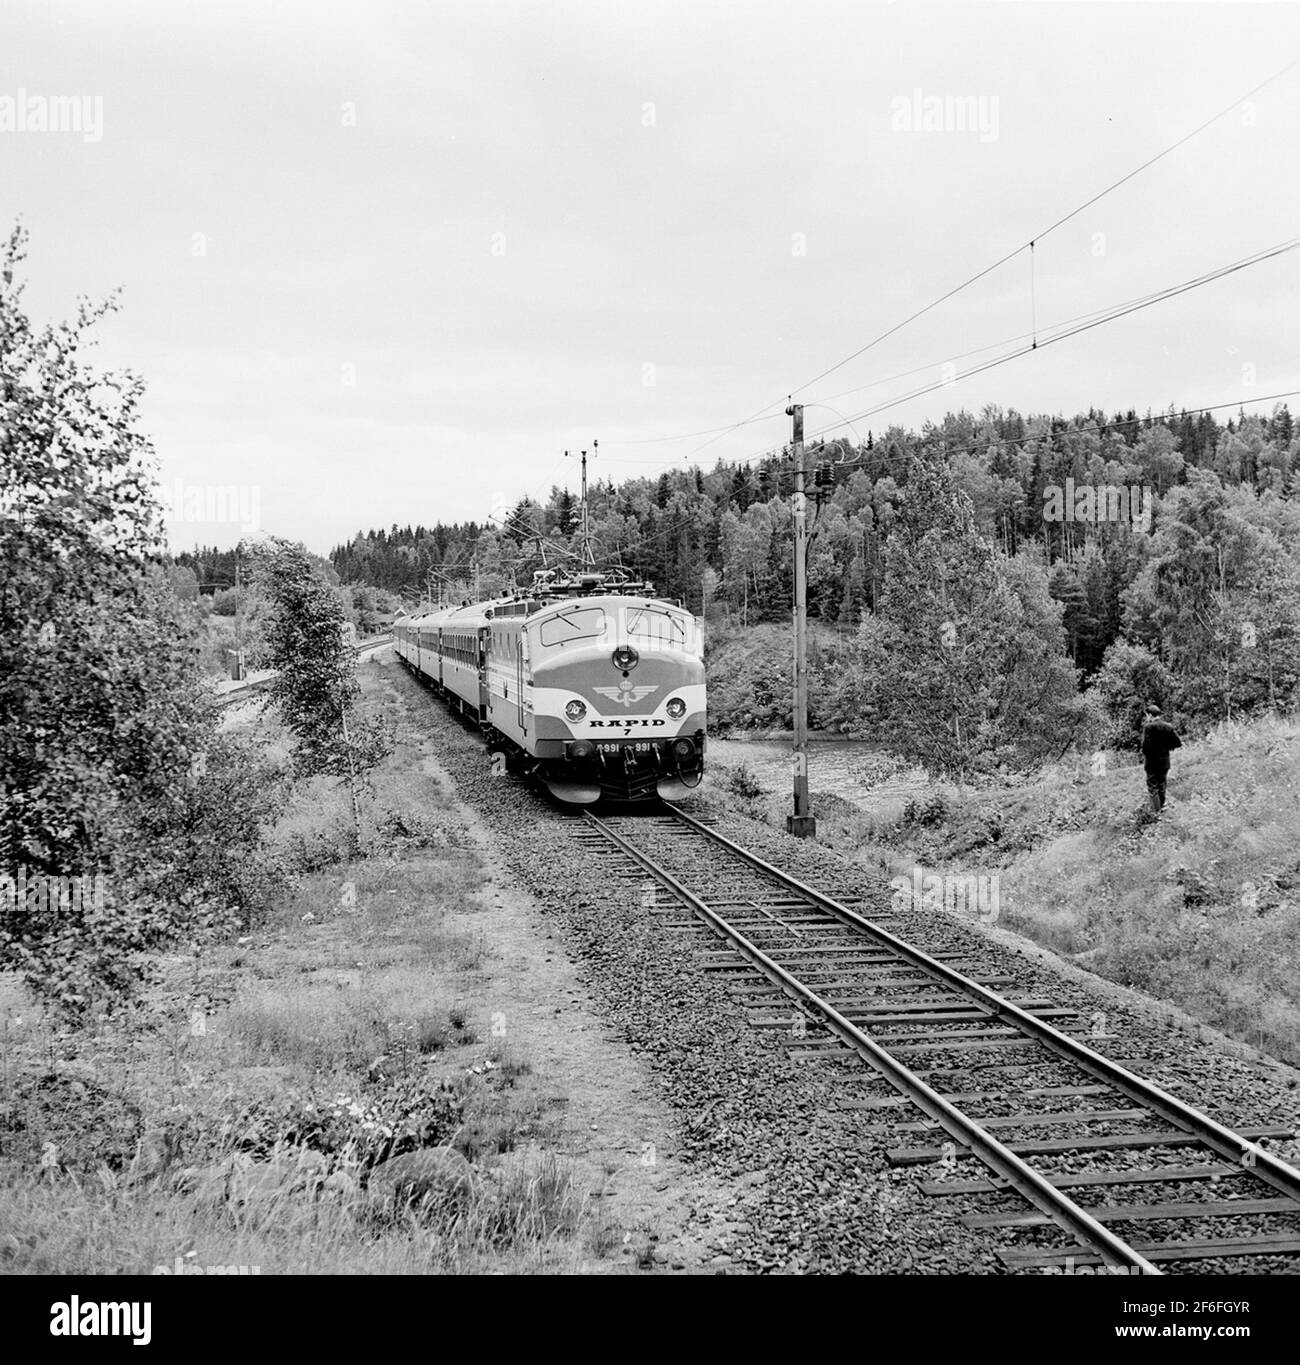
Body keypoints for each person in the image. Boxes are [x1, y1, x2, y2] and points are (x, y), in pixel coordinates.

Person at [1140, 703, 1181, 814]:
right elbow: (1178, 743)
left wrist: (1147, 754)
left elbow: (1145, 747)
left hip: (1152, 762)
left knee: (1153, 787)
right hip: (1164, 761)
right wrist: (1167, 748)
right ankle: (1161, 808)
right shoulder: (1168, 726)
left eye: (1146, 715)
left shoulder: (1148, 727)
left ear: (1150, 715)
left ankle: (1156, 813)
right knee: (1162, 785)